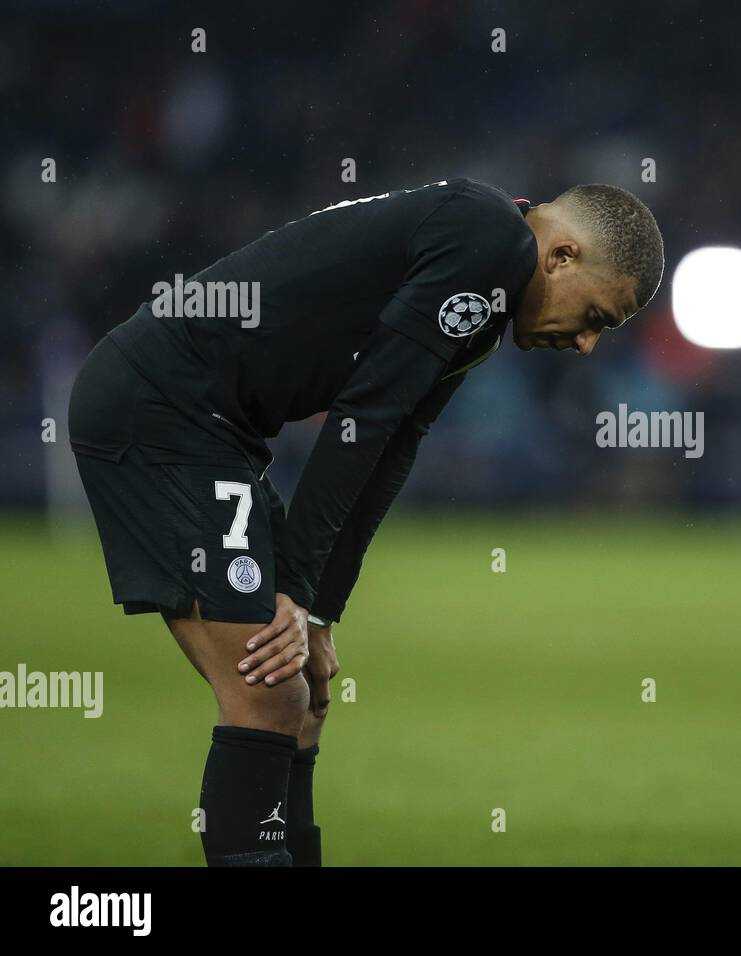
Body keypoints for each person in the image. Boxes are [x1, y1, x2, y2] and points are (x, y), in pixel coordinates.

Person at [67, 177, 664, 865]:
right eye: (596, 316)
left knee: (302, 701)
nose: (587, 344)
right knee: (265, 693)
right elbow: (366, 418)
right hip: (161, 413)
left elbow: (393, 443)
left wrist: (318, 609)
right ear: (562, 255)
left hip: (207, 431)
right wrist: (293, 584)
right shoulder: (488, 242)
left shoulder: (485, 269)